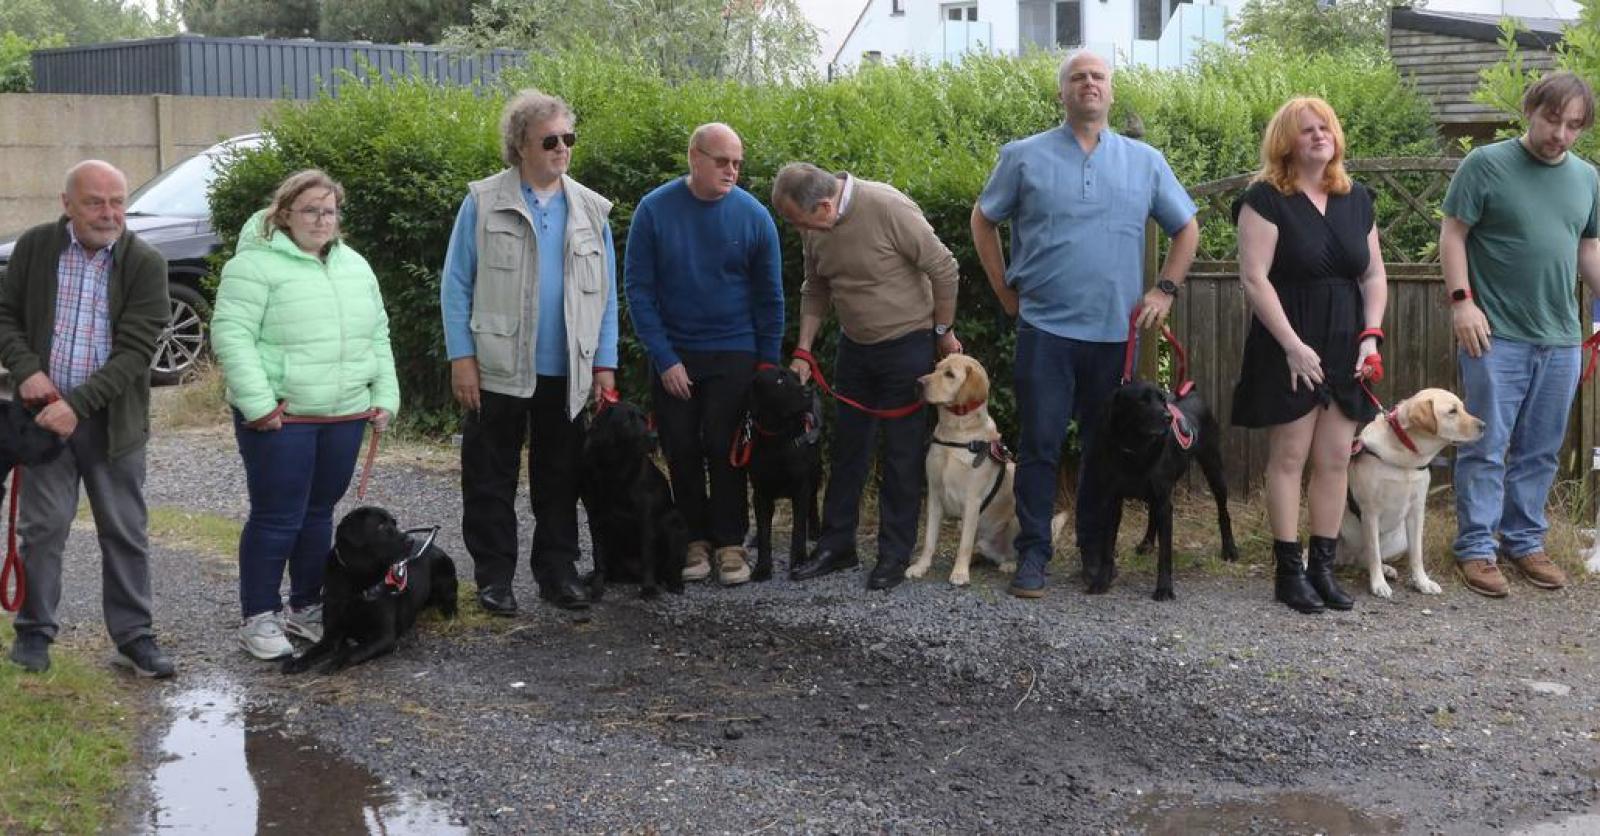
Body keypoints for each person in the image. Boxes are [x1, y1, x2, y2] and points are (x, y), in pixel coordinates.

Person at [970, 50, 1199, 599]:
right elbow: (983, 220)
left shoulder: (1144, 161)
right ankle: (1033, 558)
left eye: (1098, 77)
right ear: (1063, 93)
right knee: (1042, 445)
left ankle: (1097, 556)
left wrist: (1164, 289)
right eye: (1078, 77)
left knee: (1102, 452)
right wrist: (1004, 291)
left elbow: (1186, 229)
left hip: (1113, 336)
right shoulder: (1023, 156)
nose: (1089, 84)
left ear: (1111, 93)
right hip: (1044, 330)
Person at [441, 89, 620, 615]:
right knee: (490, 479)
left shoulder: (592, 210)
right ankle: (495, 580)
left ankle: (557, 574)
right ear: (520, 144)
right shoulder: (482, 201)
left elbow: (606, 295)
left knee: (560, 480)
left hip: (567, 369)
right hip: (496, 367)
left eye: (568, 138)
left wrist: (604, 365)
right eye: (550, 140)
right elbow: (455, 285)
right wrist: (462, 358)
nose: (562, 148)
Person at [212, 169, 400, 659]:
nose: (320, 219)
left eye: (329, 211)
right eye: (310, 210)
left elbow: (377, 335)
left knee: (318, 515)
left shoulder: (355, 266)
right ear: (284, 214)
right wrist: (257, 404)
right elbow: (232, 335)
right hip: (282, 417)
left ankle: (306, 605)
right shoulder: (252, 266)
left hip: (343, 414)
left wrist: (384, 394)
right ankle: (259, 615)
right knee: (278, 516)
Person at [0, 160, 174, 677]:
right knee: (43, 528)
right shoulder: (35, 248)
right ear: (67, 204)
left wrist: (75, 405)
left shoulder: (145, 262)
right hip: (41, 419)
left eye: (117, 201)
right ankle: (34, 633)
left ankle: (134, 637)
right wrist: (27, 371)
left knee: (124, 532)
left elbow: (137, 351)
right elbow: (5, 316)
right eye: (95, 202)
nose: (109, 213)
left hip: (110, 423)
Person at [1441, 70, 1600, 598]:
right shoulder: (1484, 165)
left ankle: (1524, 540)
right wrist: (1463, 303)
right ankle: (1477, 548)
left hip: (1561, 338)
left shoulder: (1588, 178)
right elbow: (1454, 234)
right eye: (1553, 119)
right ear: (1531, 110)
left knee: (1541, 449)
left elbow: (1588, 250)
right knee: (1485, 444)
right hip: (1496, 335)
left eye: (1573, 125)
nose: (1561, 133)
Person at [770, 161, 961, 590]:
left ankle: (894, 554)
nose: (800, 230)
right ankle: (838, 546)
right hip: (855, 348)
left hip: (908, 344)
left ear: (823, 206)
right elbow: (815, 286)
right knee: (847, 450)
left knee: (901, 455)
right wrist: (804, 348)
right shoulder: (814, 224)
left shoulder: (888, 208)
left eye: (800, 223)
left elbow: (944, 267)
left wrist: (943, 332)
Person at [1231, 97, 1387, 614]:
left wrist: (1371, 335)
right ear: (1286, 143)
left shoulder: (1356, 198)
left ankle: (1323, 569)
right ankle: (1288, 572)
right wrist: (1294, 346)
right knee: (1290, 458)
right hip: (1288, 341)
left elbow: (1372, 275)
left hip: (1347, 341)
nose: (1320, 136)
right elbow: (1254, 279)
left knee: (1334, 459)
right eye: (1306, 130)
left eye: (1326, 127)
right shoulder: (1265, 198)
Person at [625, 123, 784, 586]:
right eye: (722, 161)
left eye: (737, 162)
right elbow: (639, 289)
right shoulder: (654, 210)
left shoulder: (754, 217)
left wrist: (767, 366)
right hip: (676, 352)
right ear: (694, 157)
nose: (731, 170)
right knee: (680, 447)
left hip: (735, 350)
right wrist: (664, 357)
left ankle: (731, 543)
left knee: (726, 448)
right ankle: (693, 538)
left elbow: (770, 299)